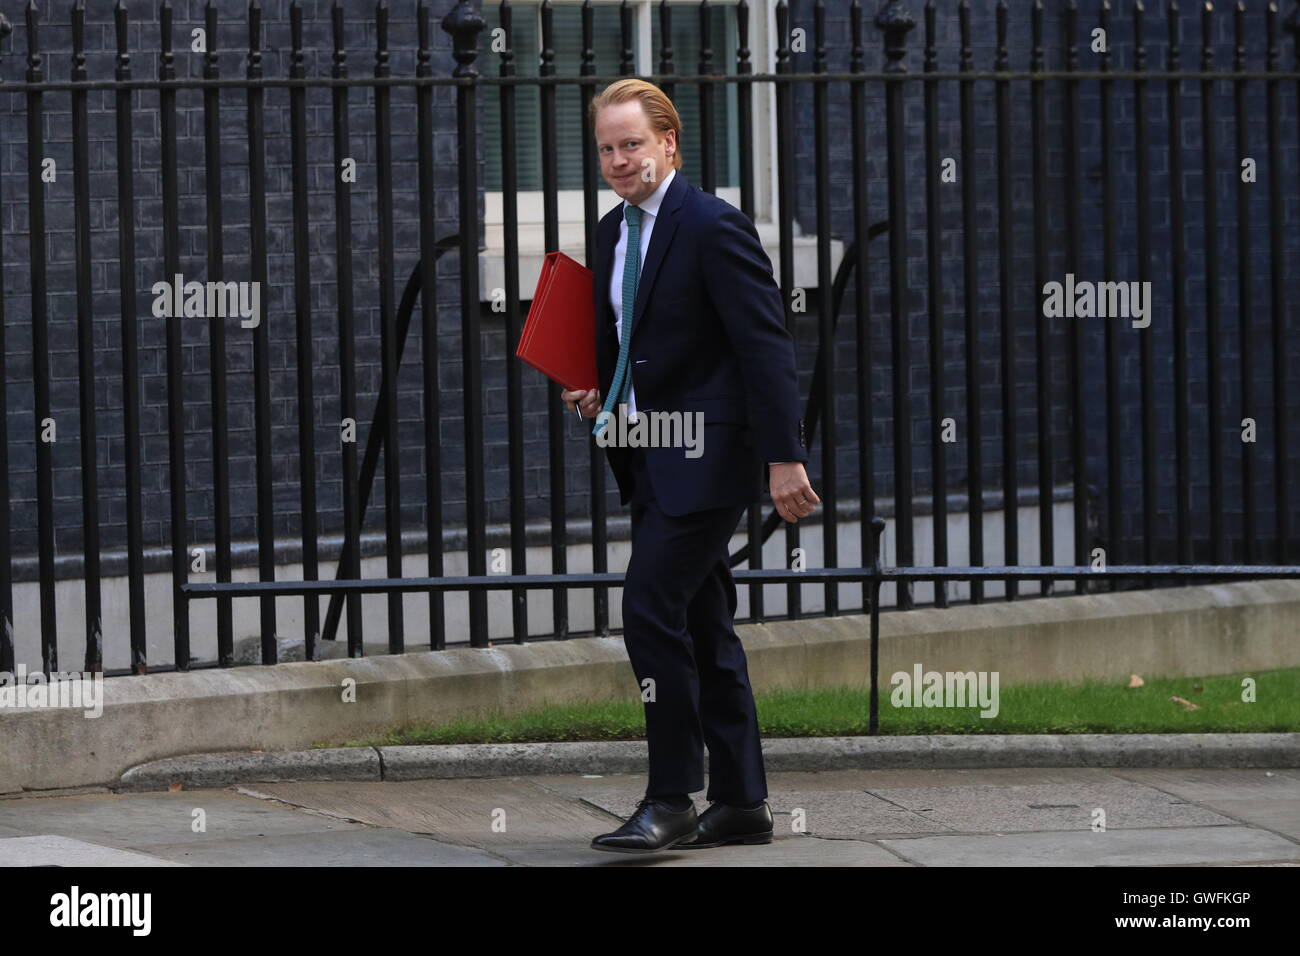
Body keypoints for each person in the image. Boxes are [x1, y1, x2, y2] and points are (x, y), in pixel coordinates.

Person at [562, 78, 819, 853]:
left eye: (632, 144)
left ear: (669, 143)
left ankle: (671, 797)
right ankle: (741, 802)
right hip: (649, 457)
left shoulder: (712, 225)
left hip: (709, 460)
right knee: (706, 626)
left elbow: (764, 346)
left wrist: (783, 458)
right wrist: (597, 389)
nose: (619, 160)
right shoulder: (611, 235)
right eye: (607, 148)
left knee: (649, 607)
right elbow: (632, 341)